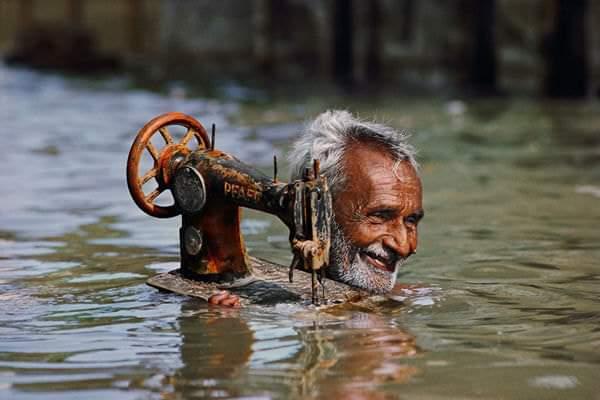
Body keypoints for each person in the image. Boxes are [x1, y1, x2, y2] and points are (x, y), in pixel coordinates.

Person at [209, 110, 424, 306]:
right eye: (379, 216)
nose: (404, 246)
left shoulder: (414, 299)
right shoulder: (235, 306)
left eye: (411, 221)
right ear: (315, 208)